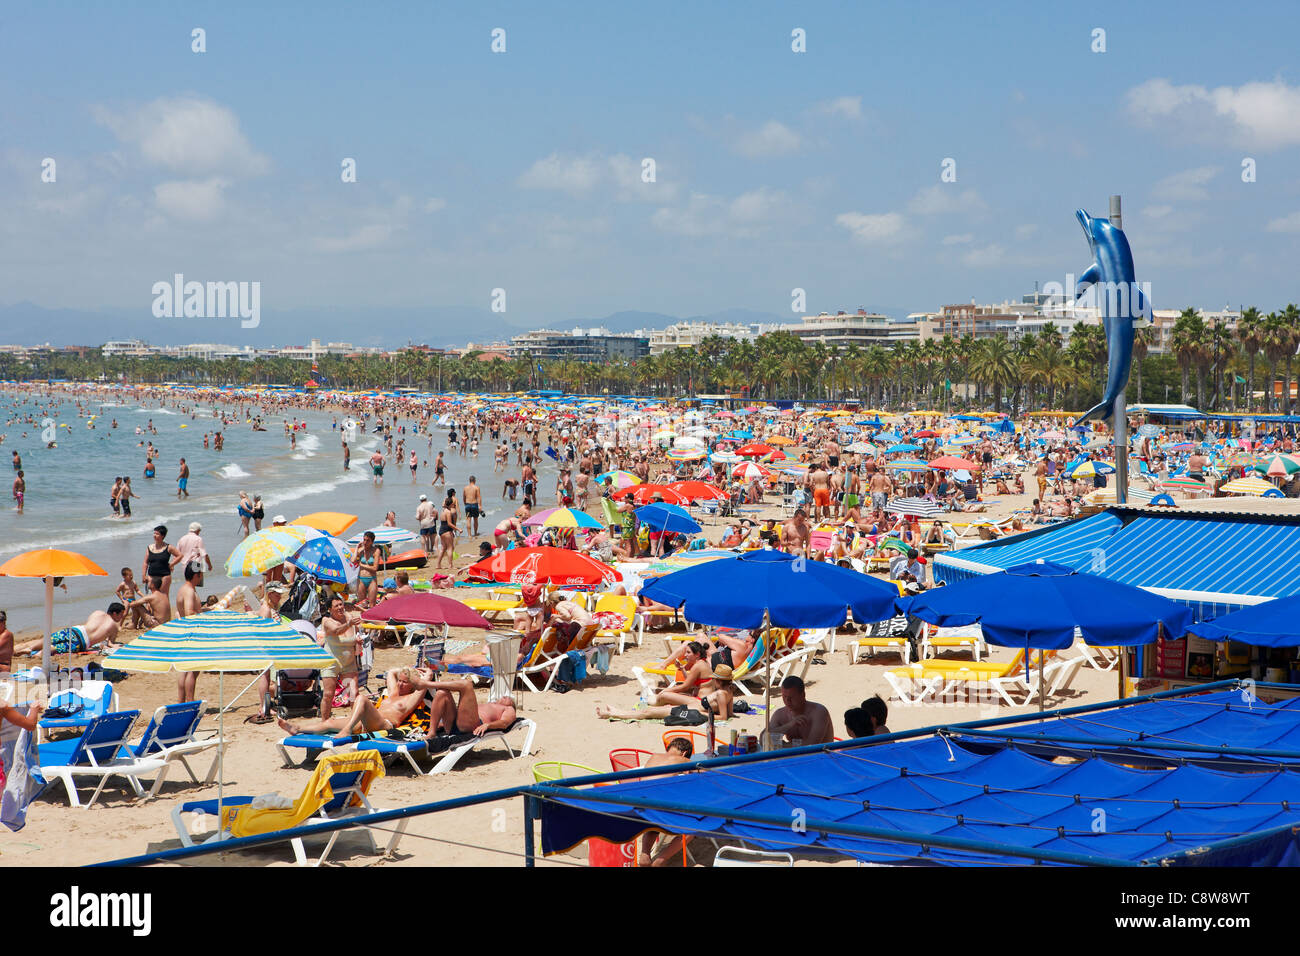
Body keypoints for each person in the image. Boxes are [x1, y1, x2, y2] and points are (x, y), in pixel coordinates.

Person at [596, 663, 736, 722]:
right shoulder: (729, 691)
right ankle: (616, 712)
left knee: (648, 713)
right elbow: (729, 714)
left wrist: (703, 714)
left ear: (718, 680)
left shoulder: (721, 694)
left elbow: (723, 717)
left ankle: (613, 713)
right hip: (693, 707)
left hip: (693, 711)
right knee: (652, 710)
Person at [15, 603, 127, 657]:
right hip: (81, 643)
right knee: (52, 649)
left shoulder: (97, 613)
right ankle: (34, 654)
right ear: (114, 613)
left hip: (74, 631)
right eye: (121, 615)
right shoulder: (114, 627)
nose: (122, 617)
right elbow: (110, 643)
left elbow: (89, 625)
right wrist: (117, 646)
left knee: (44, 641)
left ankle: (24, 648)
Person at [317, 595, 362, 718]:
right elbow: (336, 631)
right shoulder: (327, 621)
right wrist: (349, 624)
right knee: (328, 694)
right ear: (330, 610)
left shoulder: (349, 617)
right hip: (331, 662)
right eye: (336, 606)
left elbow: (360, 630)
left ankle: (355, 721)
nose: (340, 607)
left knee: (354, 693)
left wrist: (359, 638)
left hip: (349, 662)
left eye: (341, 604)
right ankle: (325, 722)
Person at [769, 675, 833, 746]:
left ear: (803, 695)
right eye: (784, 696)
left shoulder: (819, 712)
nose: (787, 701)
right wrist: (789, 725)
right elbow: (764, 738)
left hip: (822, 755)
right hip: (794, 755)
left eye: (791, 697)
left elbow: (812, 745)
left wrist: (783, 745)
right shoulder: (780, 714)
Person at [143, 525, 180, 598]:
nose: (154, 535)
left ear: (162, 536)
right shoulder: (149, 547)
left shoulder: (168, 547)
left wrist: (172, 564)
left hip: (164, 575)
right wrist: (144, 575)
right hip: (151, 575)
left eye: (157, 534)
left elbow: (180, 555)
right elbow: (145, 562)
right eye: (154, 533)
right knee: (152, 597)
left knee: (164, 596)